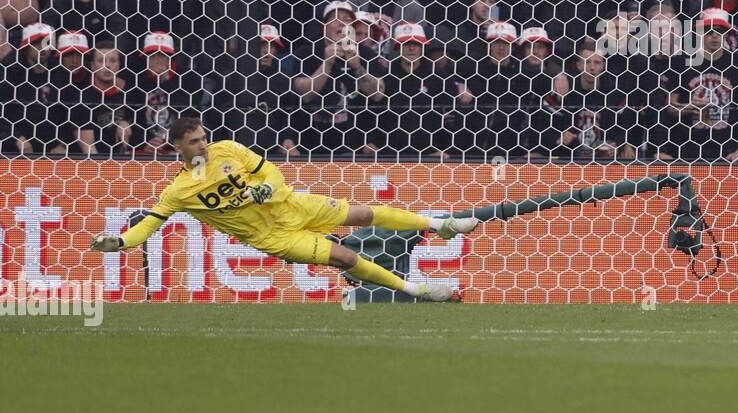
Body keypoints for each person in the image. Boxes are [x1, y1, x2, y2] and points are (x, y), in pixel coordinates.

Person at [89, 116, 477, 301]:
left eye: (203, 138)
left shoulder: (228, 149)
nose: (203, 146)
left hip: (289, 204)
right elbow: (149, 227)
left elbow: (270, 170)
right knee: (344, 256)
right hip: (272, 235)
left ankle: (440, 225)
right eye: (193, 142)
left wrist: (267, 189)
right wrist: (120, 243)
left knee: (362, 214)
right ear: (178, 147)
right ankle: (419, 290)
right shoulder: (178, 191)